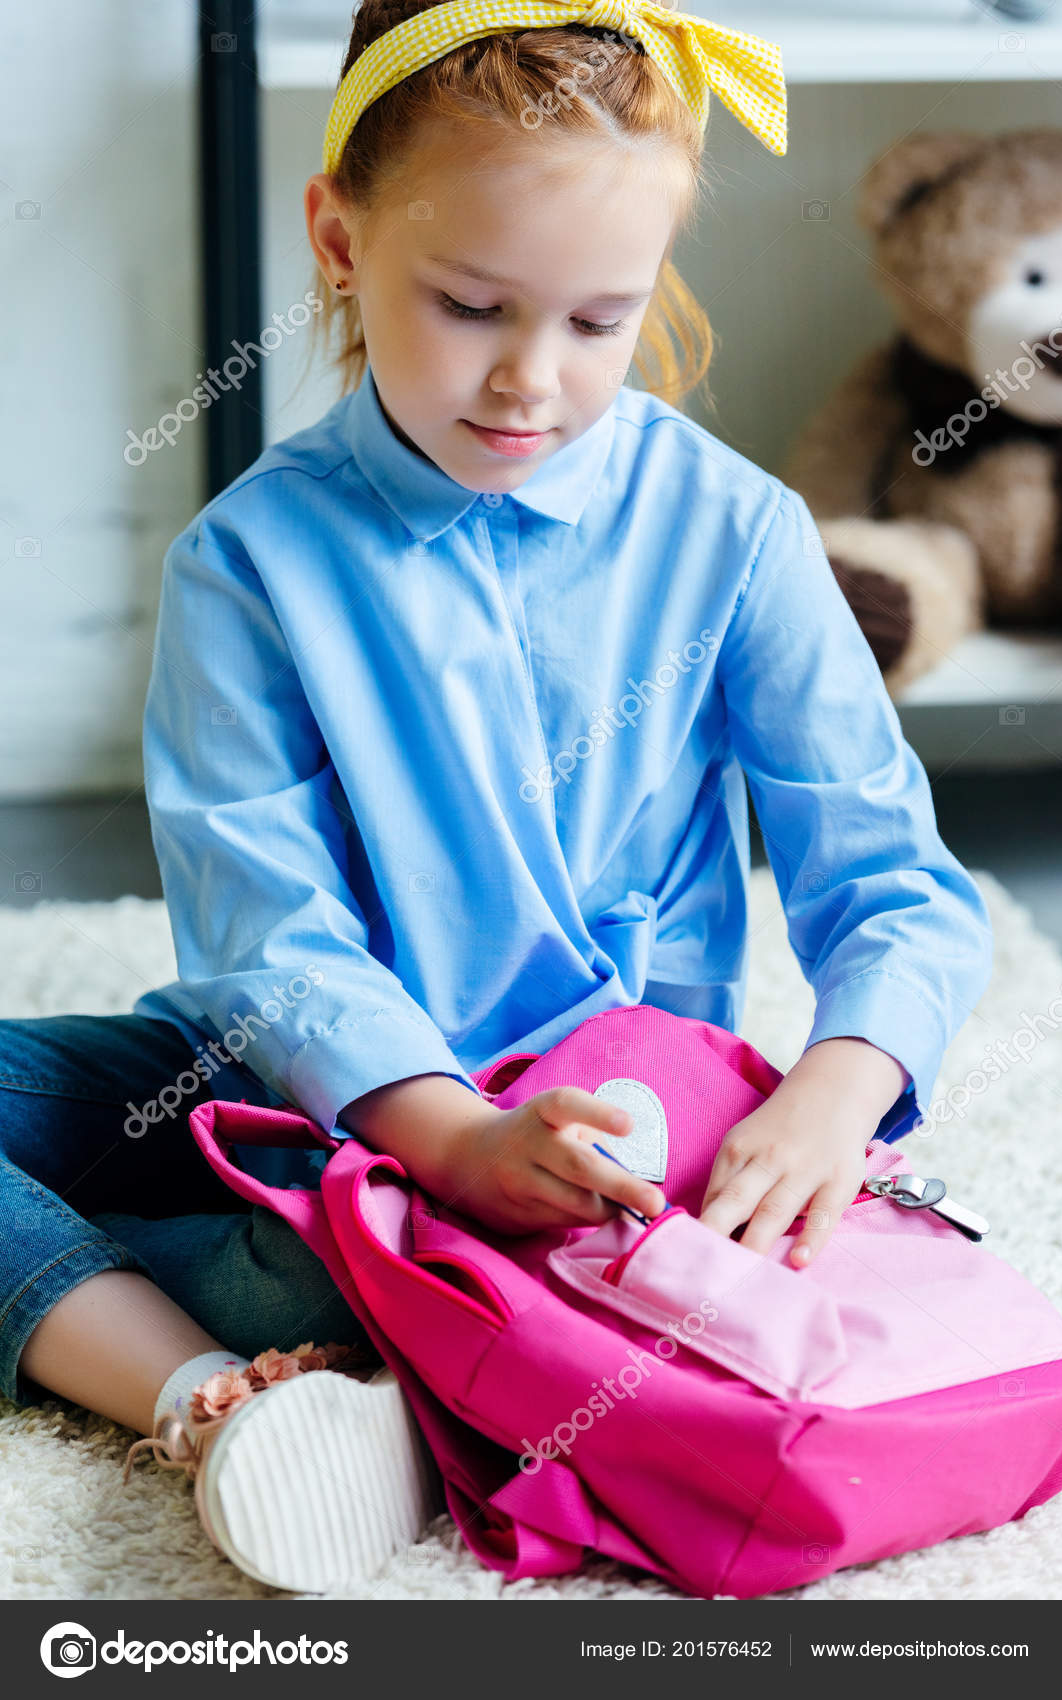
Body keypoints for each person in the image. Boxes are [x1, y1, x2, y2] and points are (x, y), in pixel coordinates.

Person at [0, 0, 992, 1593]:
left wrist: (835, 1089)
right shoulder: (252, 565)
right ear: (337, 237)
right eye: (472, 306)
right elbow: (272, 939)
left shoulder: (734, 533)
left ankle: (250, 1375)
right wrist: (445, 1128)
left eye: (602, 322)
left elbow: (896, 882)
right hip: (365, 1110)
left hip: (589, 1166)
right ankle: (242, 1401)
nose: (533, 380)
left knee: (292, 1251)